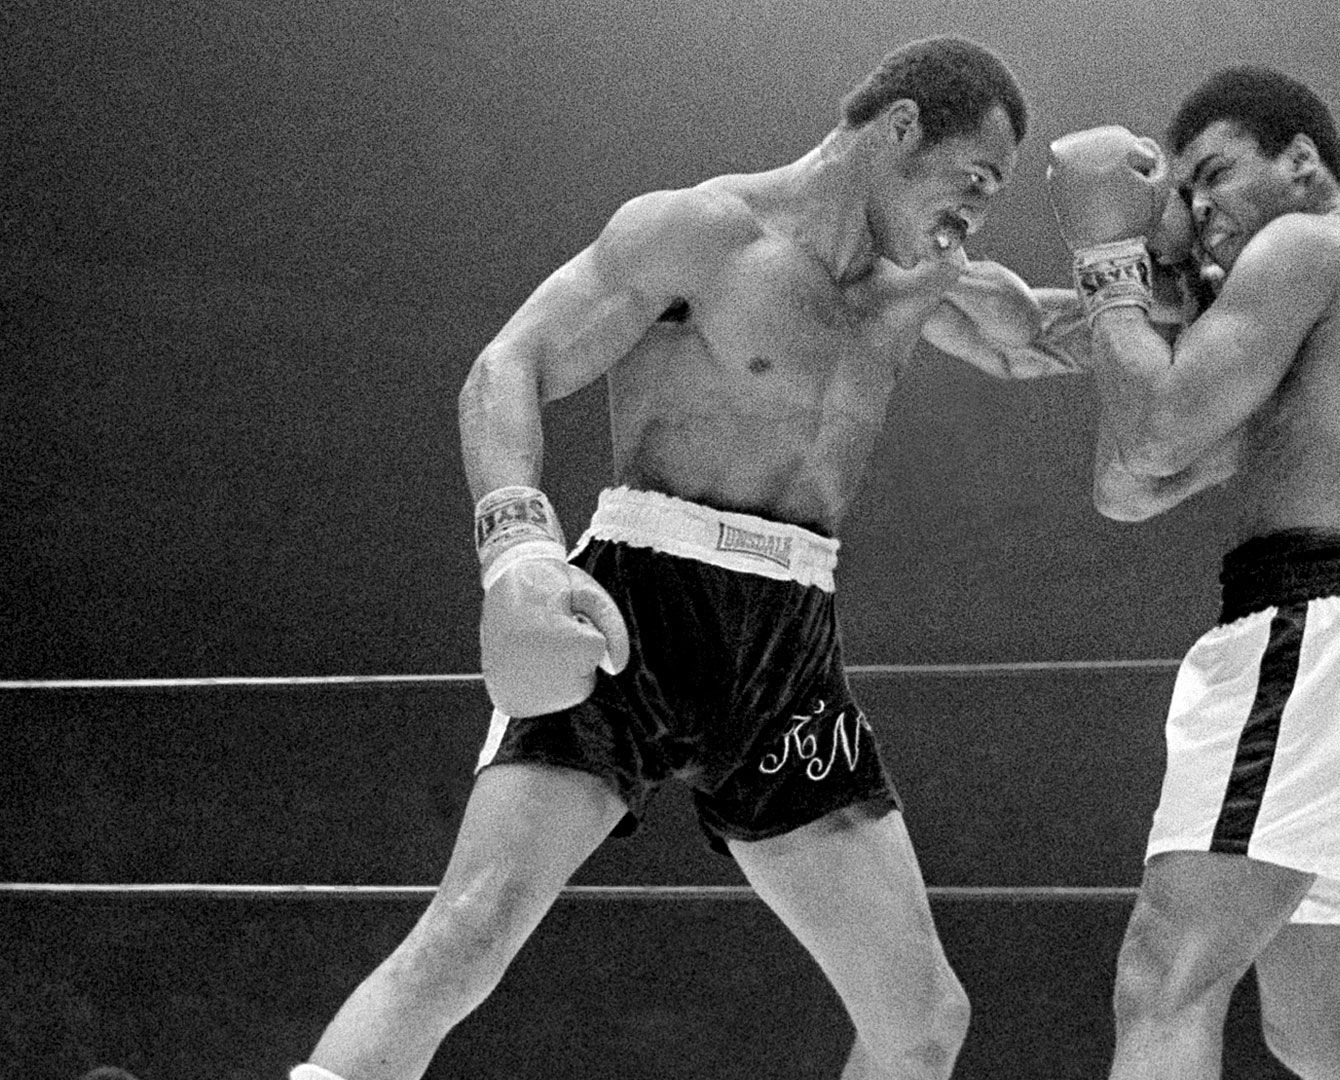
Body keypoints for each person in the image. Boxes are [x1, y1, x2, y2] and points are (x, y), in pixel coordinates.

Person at [292, 35, 1089, 1080]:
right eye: (976, 175)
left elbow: (1047, 339)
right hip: (638, 608)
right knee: (469, 934)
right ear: (900, 128)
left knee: (923, 1020)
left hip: (789, 647)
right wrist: (518, 549)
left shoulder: (925, 282)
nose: (981, 208)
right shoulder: (703, 232)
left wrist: (1159, 266)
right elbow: (509, 363)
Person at [1045, 67, 1340, 1080]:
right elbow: (1127, 486)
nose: (1198, 208)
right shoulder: (1328, 306)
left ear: (1302, 161)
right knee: (1320, 1032)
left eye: (1216, 174)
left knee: (1165, 979)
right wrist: (1157, 293)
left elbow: (1153, 437)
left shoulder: (1308, 245)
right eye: (1183, 191)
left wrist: (1105, 258)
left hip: (1317, 631)